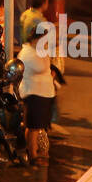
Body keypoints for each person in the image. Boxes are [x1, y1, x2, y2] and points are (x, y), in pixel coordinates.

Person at [20, 20, 56, 164]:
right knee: (34, 127)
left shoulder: (37, 51)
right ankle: (33, 155)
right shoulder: (29, 53)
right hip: (35, 94)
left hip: (42, 93)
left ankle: (34, 151)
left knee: (35, 126)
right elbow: (42, 66)